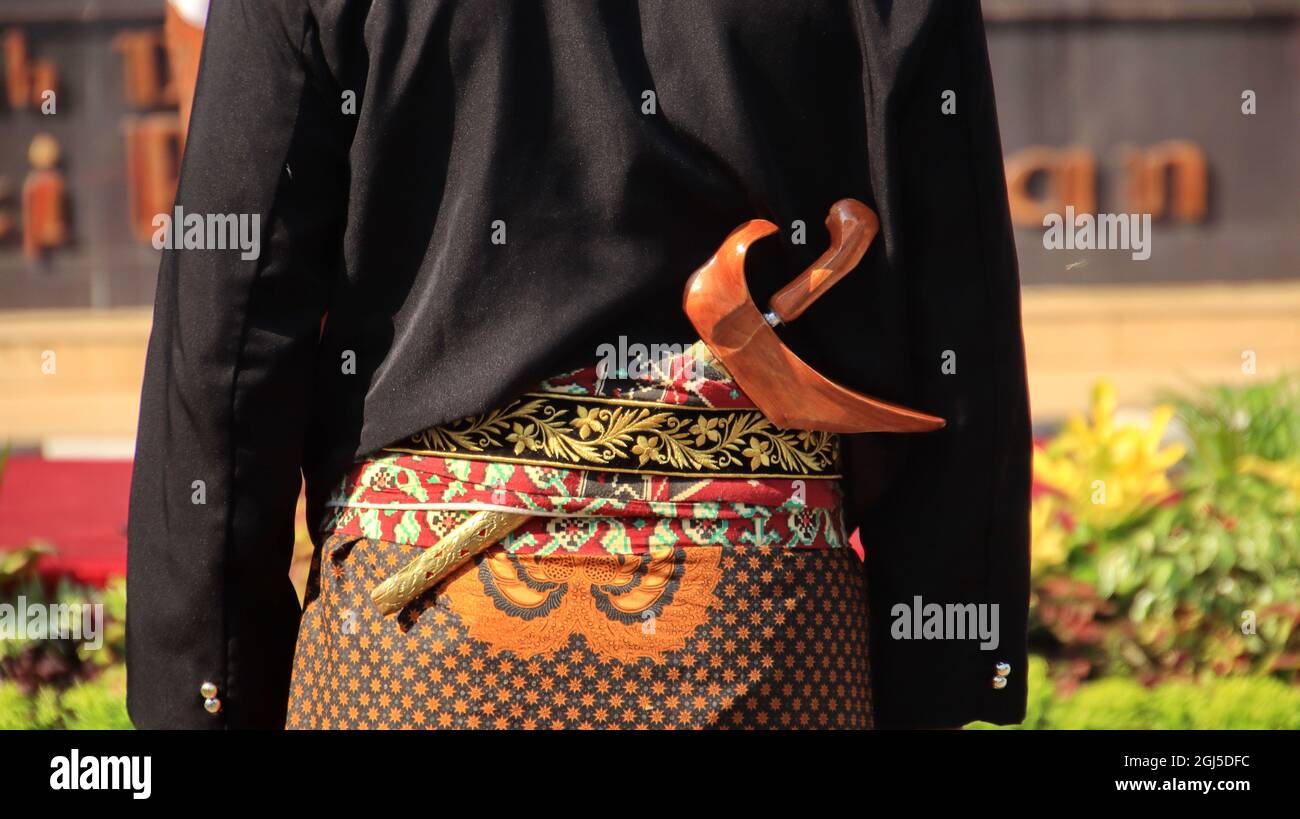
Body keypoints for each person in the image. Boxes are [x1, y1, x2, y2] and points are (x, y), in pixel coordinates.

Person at [127, 0, 1030, 730]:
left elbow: (231, 325)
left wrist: (206, 683)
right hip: (762, 640)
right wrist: (944, 668)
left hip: (415, 658)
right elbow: (956, 320)